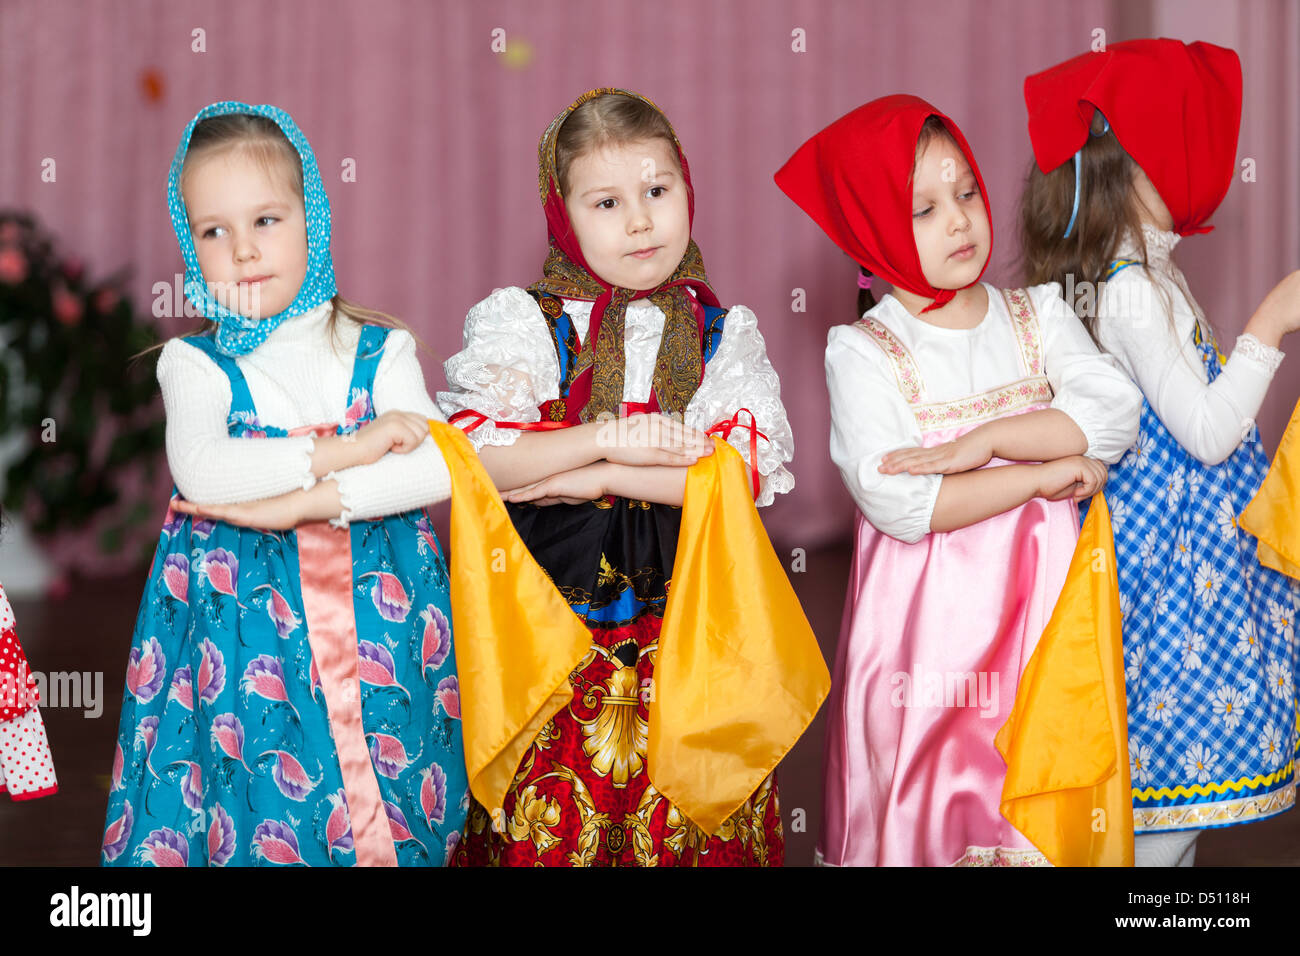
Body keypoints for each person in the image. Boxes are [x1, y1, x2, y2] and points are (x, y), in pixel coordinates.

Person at [775, 94, 1142, 865]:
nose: (961, 221)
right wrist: (1040, 475)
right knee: (931, 812)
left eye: (967, 191)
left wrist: (985, 443)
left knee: (1039, 795)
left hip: (1042, 623)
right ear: (874, 229)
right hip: (928, 648)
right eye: (924, 208)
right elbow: (907, 503)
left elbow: (1112, 411)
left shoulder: (1038, 314)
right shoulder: (866, 351)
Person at [101, 102, 466, 867]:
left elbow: (438, 464)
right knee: (263, 798)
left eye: (266, 219)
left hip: (383, 621)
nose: (242, 250)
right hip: (246, 633)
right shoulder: (193, 366)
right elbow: (207, 471)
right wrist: (354, 449)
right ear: (188, 243)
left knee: (396, 789)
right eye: (213, 230)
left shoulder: (381, 349)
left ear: (314, 219)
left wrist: (309, 501)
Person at [439, 88, 797, 866]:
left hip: (691, 618)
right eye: (607, 202)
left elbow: (739, 473)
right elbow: (479, 461)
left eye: (657, 192)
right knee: (555, 814)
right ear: (562, 214)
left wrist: (580, 468)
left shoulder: (718, 335)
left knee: (686, 814)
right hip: (551, 628)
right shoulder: (525, 323)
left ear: (687, 191)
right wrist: (612, 440)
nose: (640, 221)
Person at [1020, 38, 1300, 867]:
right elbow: (1209, 435)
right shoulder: (1133, 289)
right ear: (1129, 168)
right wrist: (1271, 322)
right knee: (1159, 805)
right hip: (1175, 568)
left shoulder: (1146, 270)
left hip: (1196, 555)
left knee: (1173, 807)